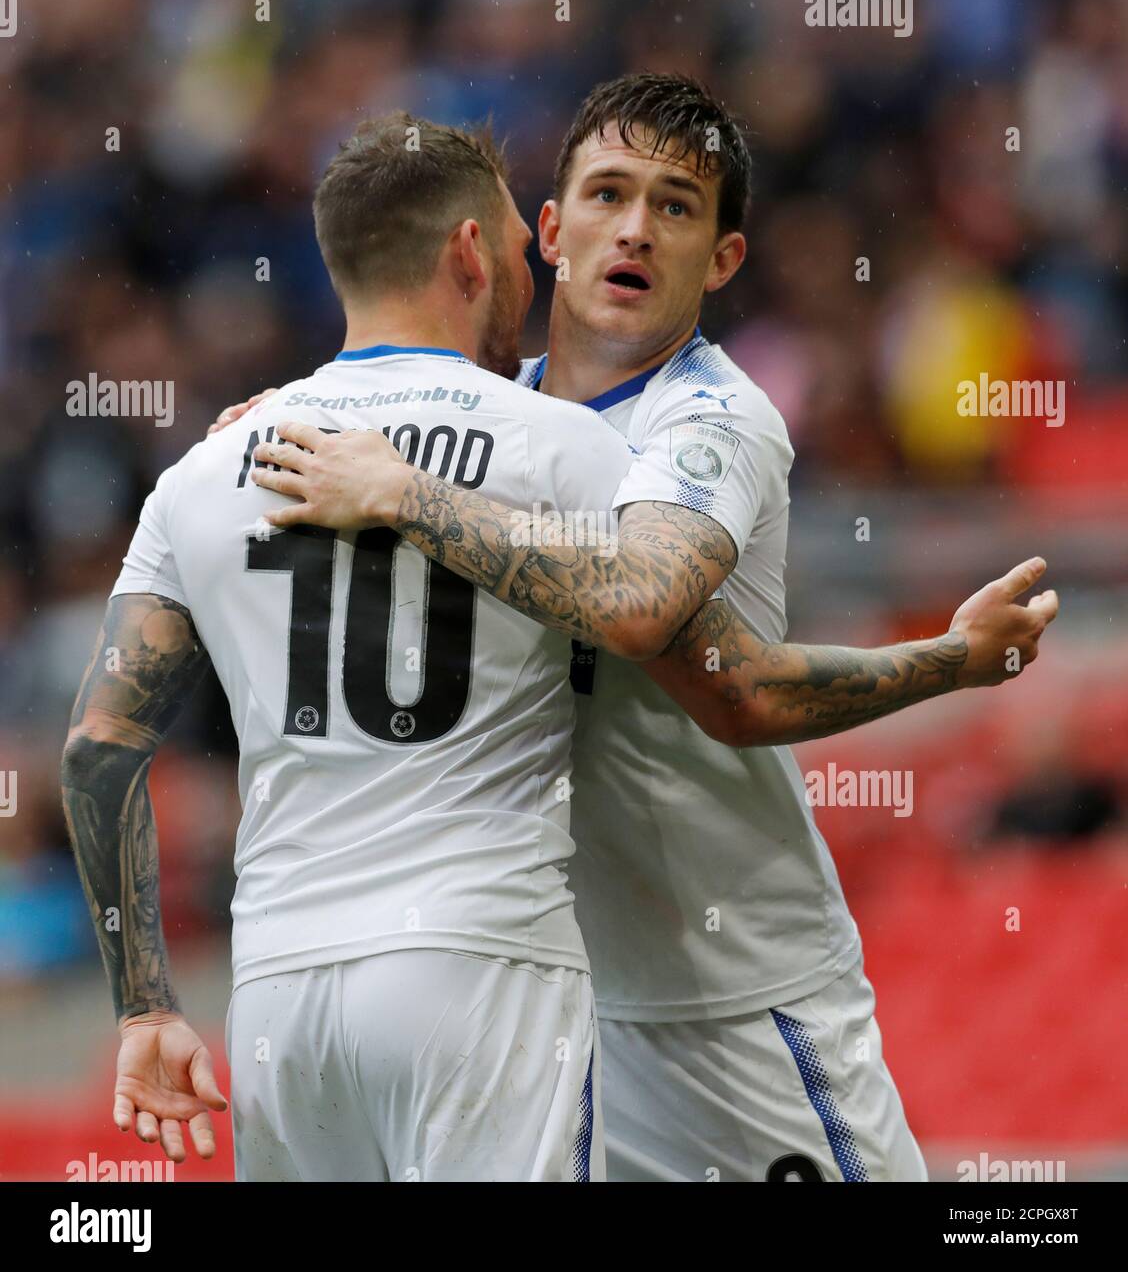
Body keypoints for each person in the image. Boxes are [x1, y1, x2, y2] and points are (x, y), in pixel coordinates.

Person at [241, 75, 1058, 1181]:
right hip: (554, 1004)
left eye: (676, 206)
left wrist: (957, 661)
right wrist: (270, 434)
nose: (635, 226)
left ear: (721, 260)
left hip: (734, 997)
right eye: (609, 193)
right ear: (550, 232)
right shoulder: (493, 420)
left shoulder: (715, 419)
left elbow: (656, 621)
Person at [61, 113, 651, 1182]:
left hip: (282, 987)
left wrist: (146, 1001)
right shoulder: (566, 449)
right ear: (471, 252)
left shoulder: (205, 469)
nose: (532, 274)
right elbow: (683, 646)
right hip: (482, 965)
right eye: (522, 247)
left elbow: (98, 747)